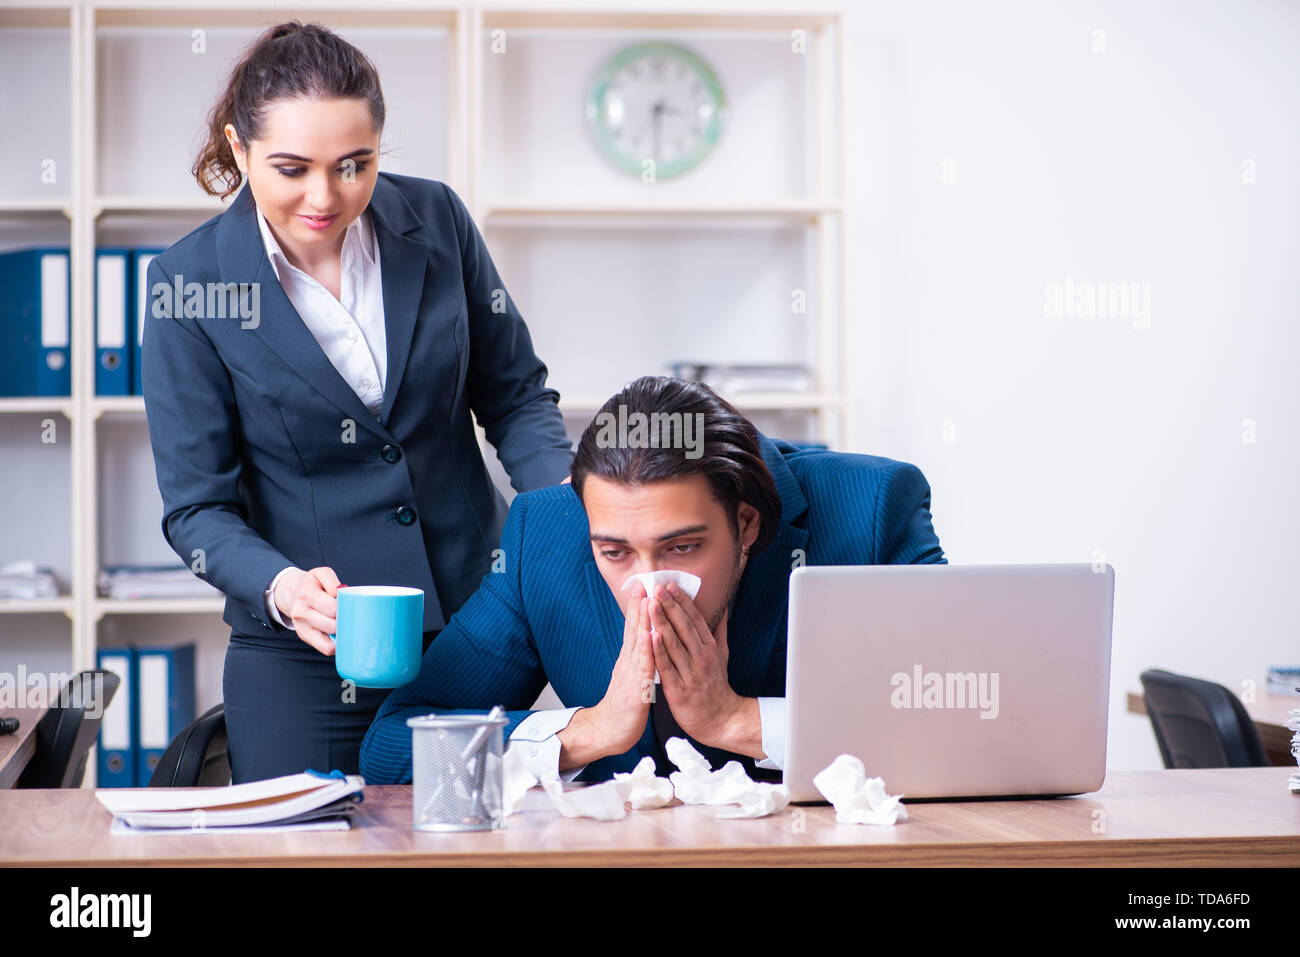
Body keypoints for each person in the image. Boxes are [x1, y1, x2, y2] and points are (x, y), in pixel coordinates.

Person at [142, 21, 572, 784]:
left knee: (475, 840)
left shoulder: (437, 221)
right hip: (306, 650)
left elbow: (516, 397)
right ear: (240, 151)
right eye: (291, 167)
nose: (324, 195)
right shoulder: (190, 283)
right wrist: (283, 588)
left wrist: (569, 512)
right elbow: (196, 509)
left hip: (477, 620)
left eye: (353, 165)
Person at [360, 376, 946, 785]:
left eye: (683, 547)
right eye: (615, 552)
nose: (650, 586)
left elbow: (958, 719)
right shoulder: (544, 537)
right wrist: (588, 731)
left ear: (746, 523)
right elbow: (393, 745)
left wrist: (737, 719)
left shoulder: (871, 508)